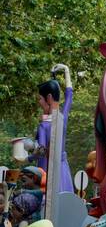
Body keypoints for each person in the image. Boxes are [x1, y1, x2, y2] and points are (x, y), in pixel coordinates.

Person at [34, 65, 74, 193]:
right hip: (63, 171)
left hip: (46, 169)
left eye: (40, 98)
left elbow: (41, 151)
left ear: (49, 98)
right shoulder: (63, 116)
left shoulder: (43, 126)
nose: (39, 102)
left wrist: (26, 154)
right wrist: (66, 70)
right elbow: (69, 95)